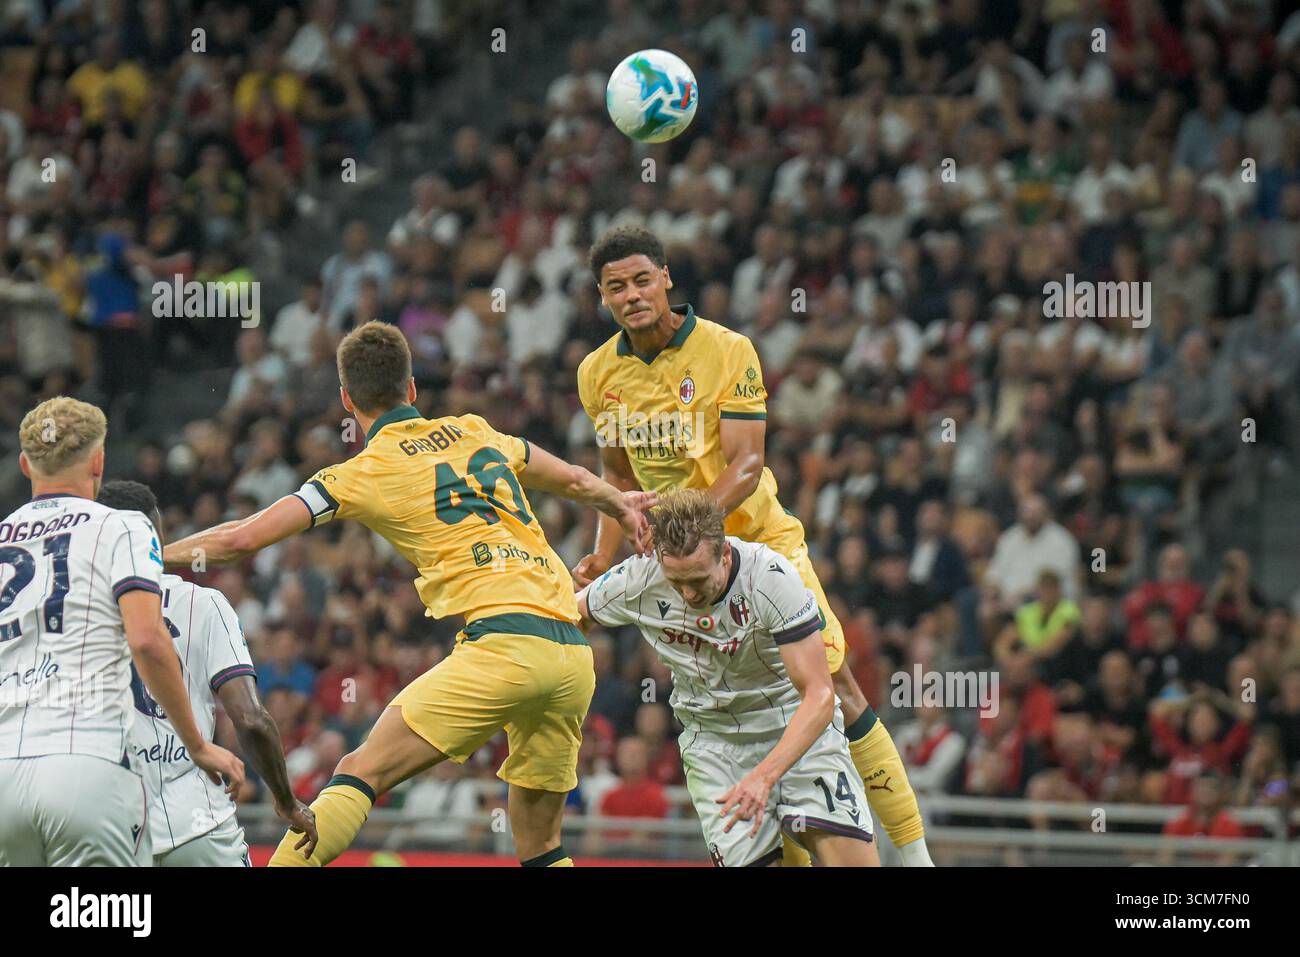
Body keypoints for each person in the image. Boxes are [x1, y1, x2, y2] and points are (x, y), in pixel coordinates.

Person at [162, 321, 656, 868]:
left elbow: (239, 539)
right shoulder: (475, 430)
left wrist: (147, 555)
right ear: (413, 388)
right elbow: (577, 480)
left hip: (503, 648)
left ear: (347, 399)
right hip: (570, 653)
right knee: (541, 846)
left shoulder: (361, 471)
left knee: (361, 771)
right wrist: (621, 504)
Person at [572, 224, 932, 866]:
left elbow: (747, 463)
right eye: (615, 287)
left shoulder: (727, 349)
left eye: (642, 280)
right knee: (730, 707)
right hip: (682, 566)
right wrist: (604, 553)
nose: (631, 295)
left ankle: (913, 854)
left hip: (757, 541)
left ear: (666, 278)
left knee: (835, 683)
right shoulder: (598, 373)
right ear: (602, 297)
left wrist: (689, 526)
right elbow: (619, 476)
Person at [0, 397, 243, 865]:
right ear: (98, 461)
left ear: (25, 465)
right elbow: (147, 638)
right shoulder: (124, 526)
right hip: (86, 763)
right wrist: (196, 744)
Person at [578, 490, 879, 867]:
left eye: (699, 580)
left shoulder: (770, 577)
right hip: (715, 747)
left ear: (724, 554)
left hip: (794, 726)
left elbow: (819, 694)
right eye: (676, 581)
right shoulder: (638, 578)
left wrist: (764, 777)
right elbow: (570, 617)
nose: (688, 594)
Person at [98, 479, 316, 866]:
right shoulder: (203, 604)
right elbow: (250, 719)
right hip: (197, 826)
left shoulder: (76, 611)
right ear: (160, 534)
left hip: (106, 830)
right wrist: (285, 800)